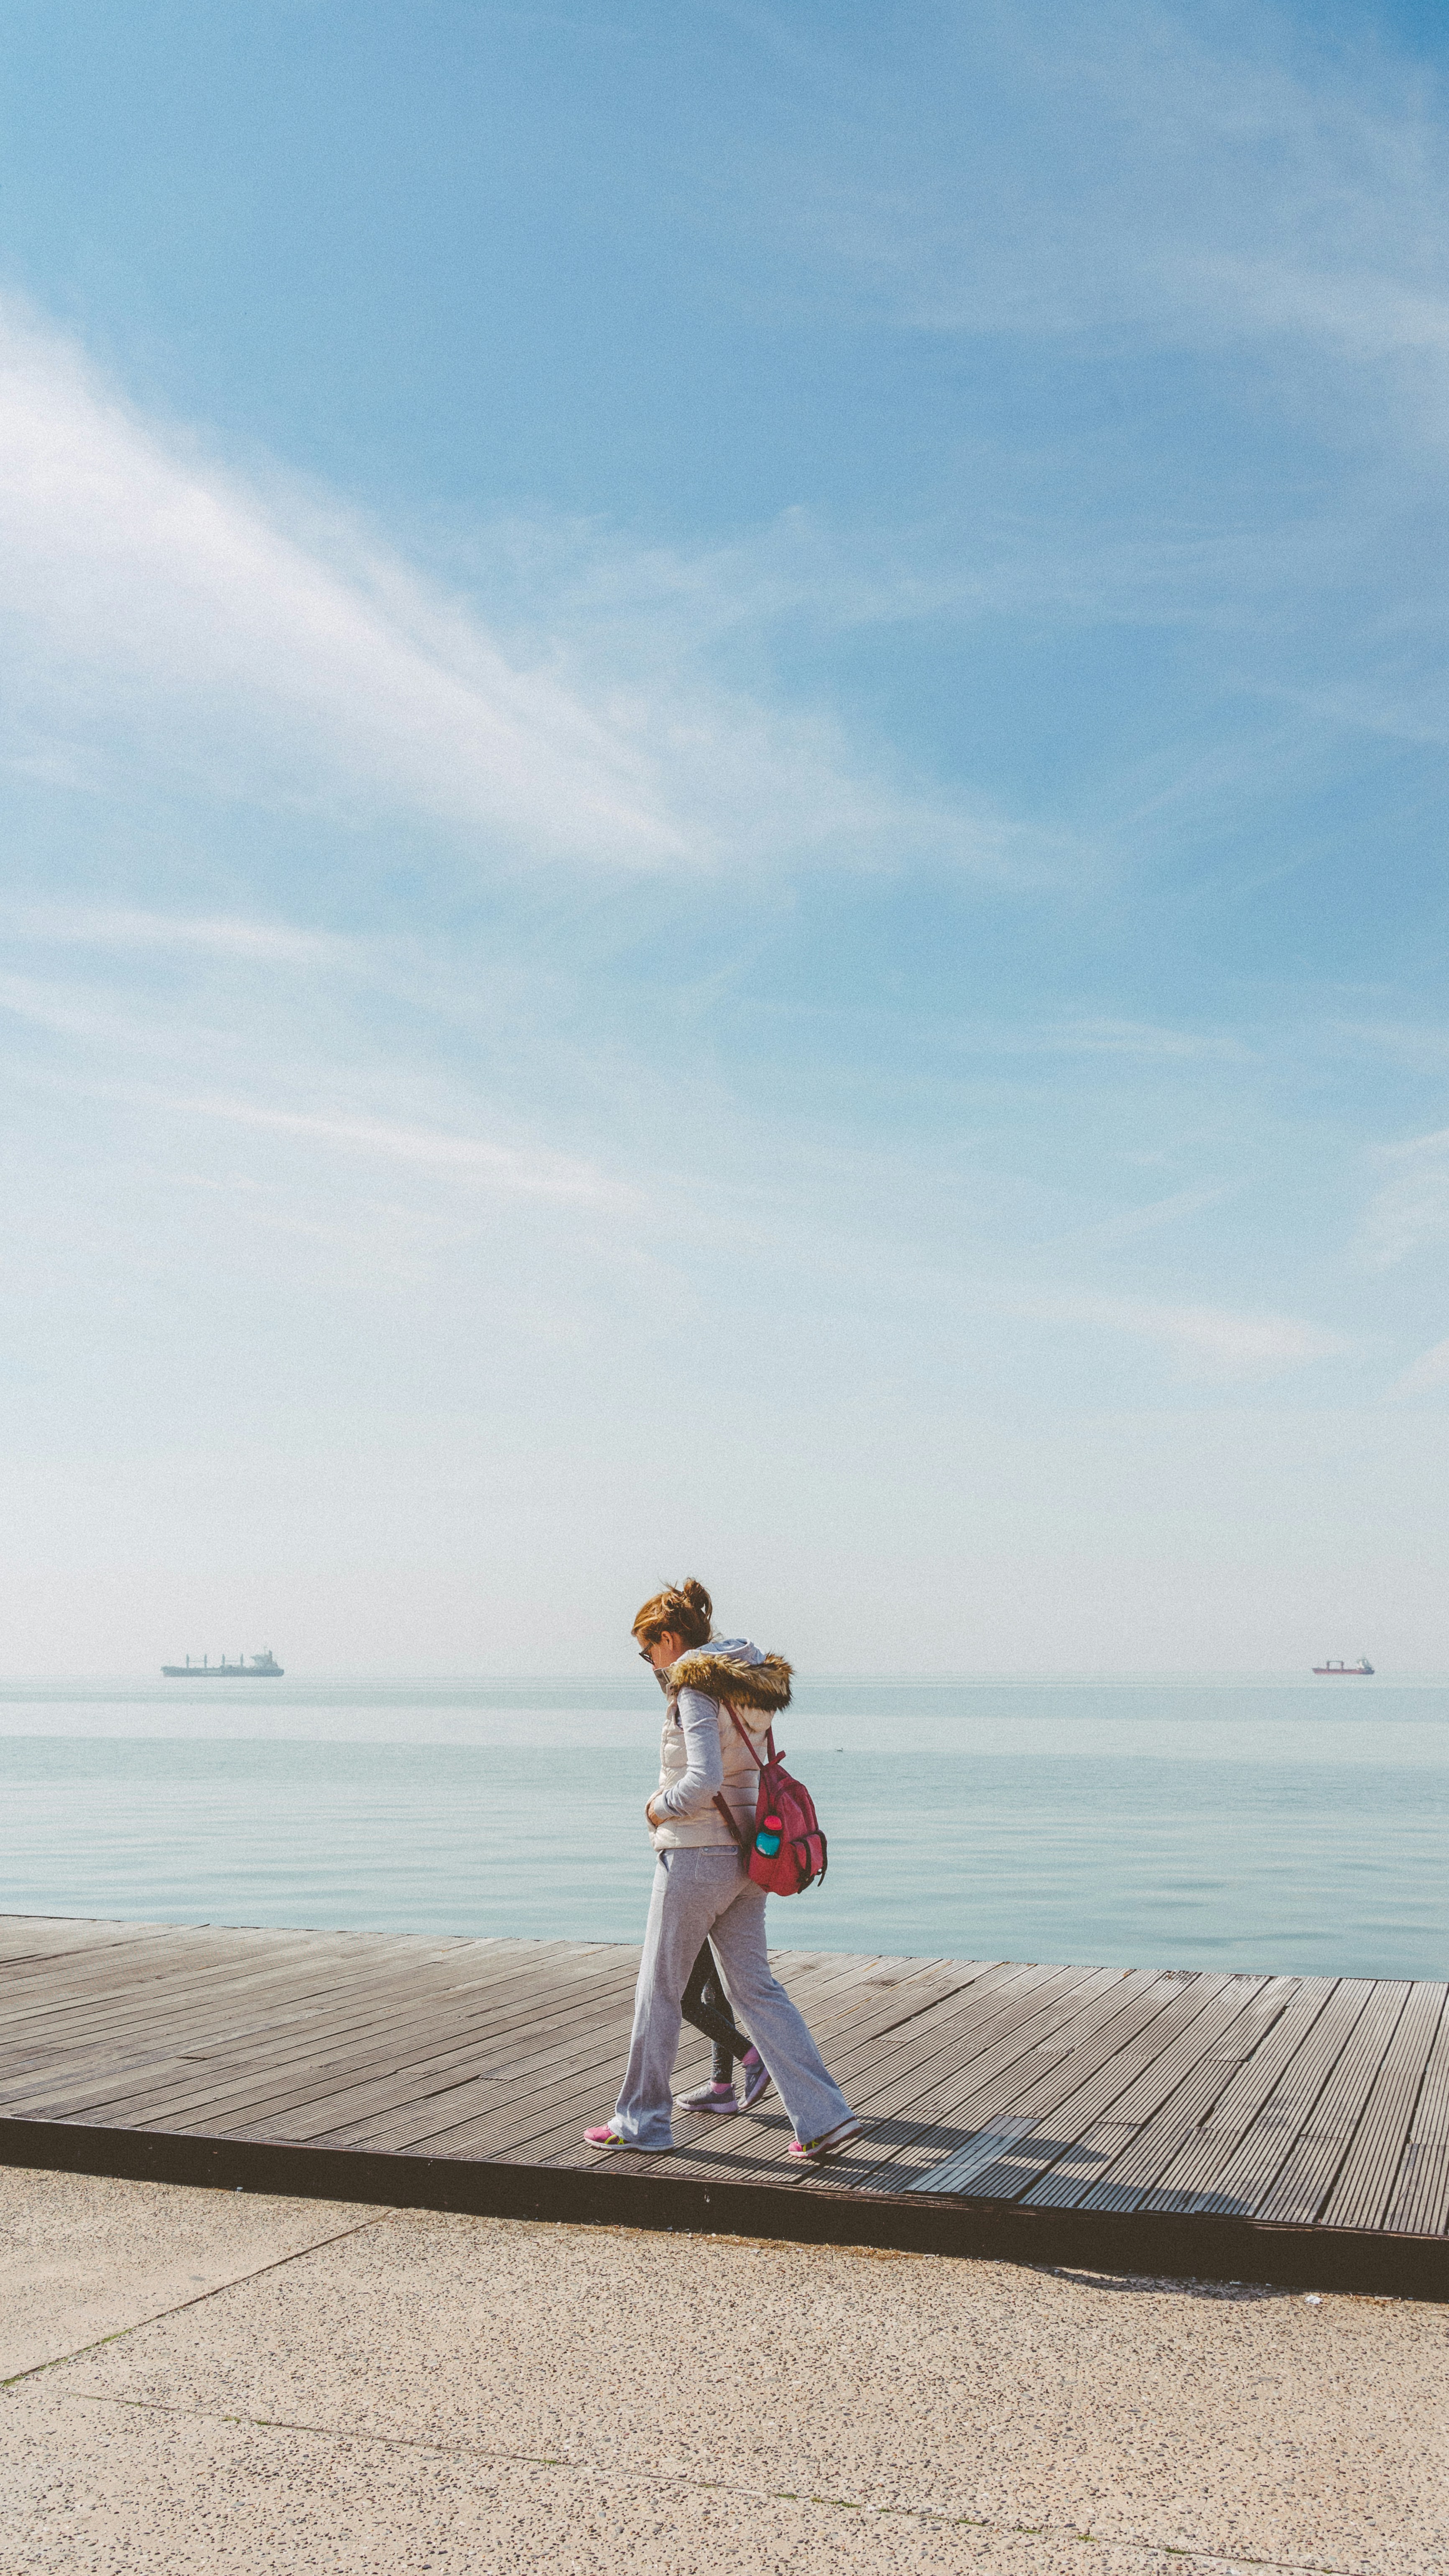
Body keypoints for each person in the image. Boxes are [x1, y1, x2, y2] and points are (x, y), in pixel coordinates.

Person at [584, 1578, 863, 2165]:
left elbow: (702, 1779)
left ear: (668, 1638)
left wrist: (656, 1807)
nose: (651, 1664)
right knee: (755, 1987)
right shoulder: (752, 1681)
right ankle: (825, 2118)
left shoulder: (693, 1685)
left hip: (695, 1855)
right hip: (747, 1855)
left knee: (659, 1989)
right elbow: (749, 1773)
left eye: (647, 1651)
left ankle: (642, 2121)